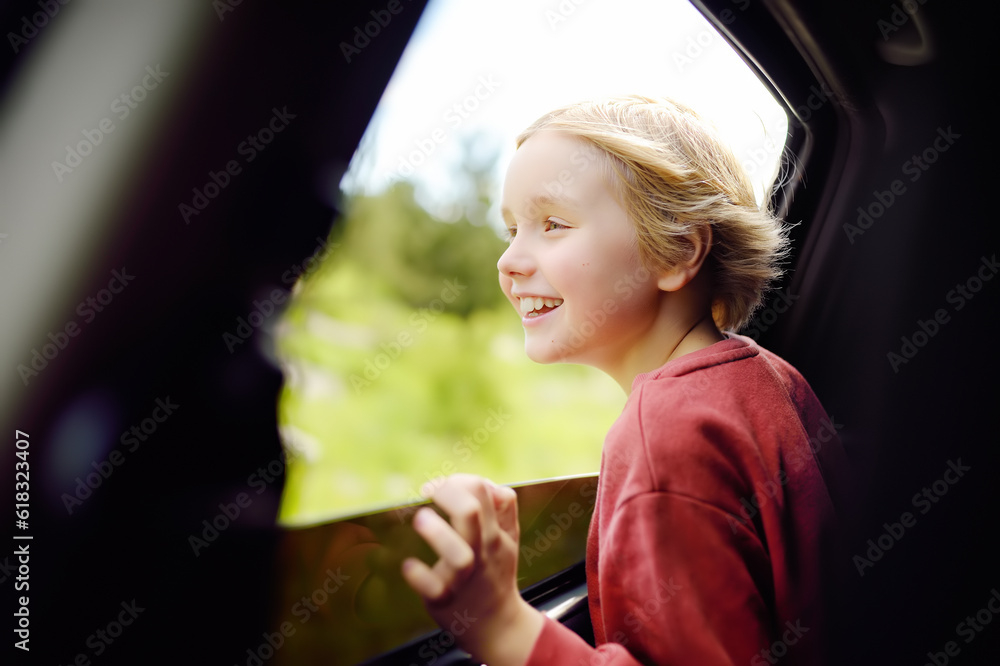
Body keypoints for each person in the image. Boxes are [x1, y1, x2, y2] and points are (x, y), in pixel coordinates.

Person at [401, 94, 849, 665]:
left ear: (677, 252)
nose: (507, 260)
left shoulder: (666, 436)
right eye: (512, 229)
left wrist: (504, 625)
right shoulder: (768, 377)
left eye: (553, 224)